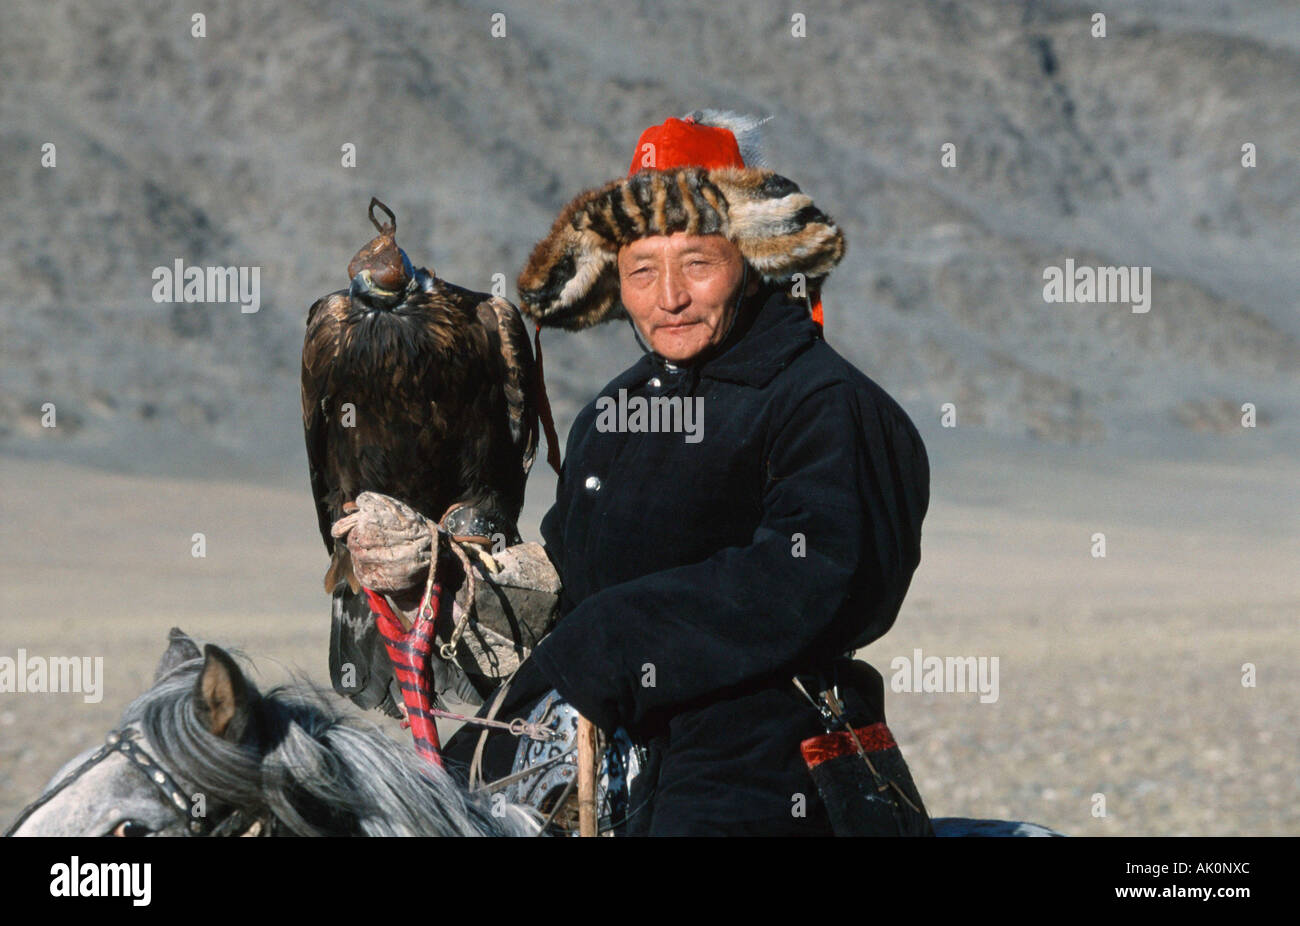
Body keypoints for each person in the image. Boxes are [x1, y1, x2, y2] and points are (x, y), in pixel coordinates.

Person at [348, 110, 931, 835]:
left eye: (697, 264)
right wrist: (443, 580)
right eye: (641, 271)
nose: (669, 298)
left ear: (751, 258)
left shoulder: (826, 403)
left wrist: (615, 637)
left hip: (770, 763)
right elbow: (570, 586)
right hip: (593, 751)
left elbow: (823, 577)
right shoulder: (612, 416)